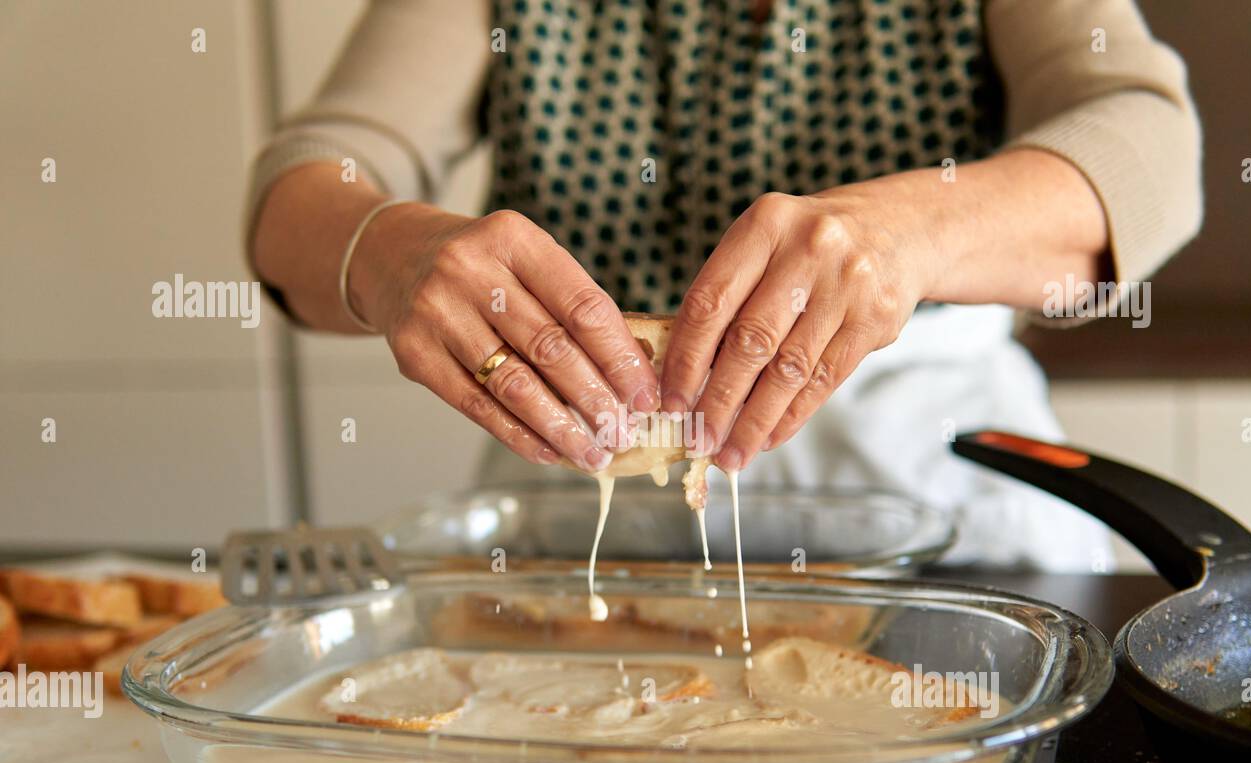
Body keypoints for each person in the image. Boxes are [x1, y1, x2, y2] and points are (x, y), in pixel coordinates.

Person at [246, 0, 1202, 570]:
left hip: (937, 510)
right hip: (579, 523)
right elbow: (306, 179)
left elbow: (1146, 146)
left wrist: (913, 231)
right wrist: (385, 249)